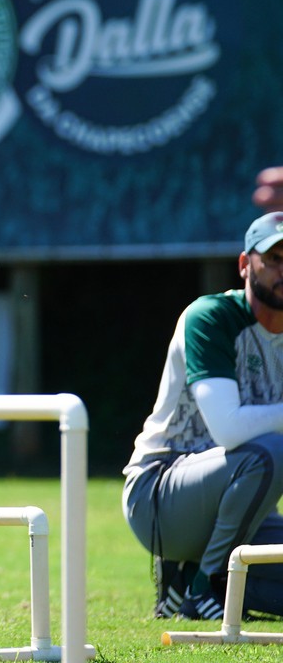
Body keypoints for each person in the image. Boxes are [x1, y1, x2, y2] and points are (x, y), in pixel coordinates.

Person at [122, 212, 283, 621]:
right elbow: (229, 430)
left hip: (243, 506)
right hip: (159, 494)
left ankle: (190, 573)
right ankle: (205, 585)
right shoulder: (210, 318)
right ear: (246, 265)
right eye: (276, 258)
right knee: (272, 449)